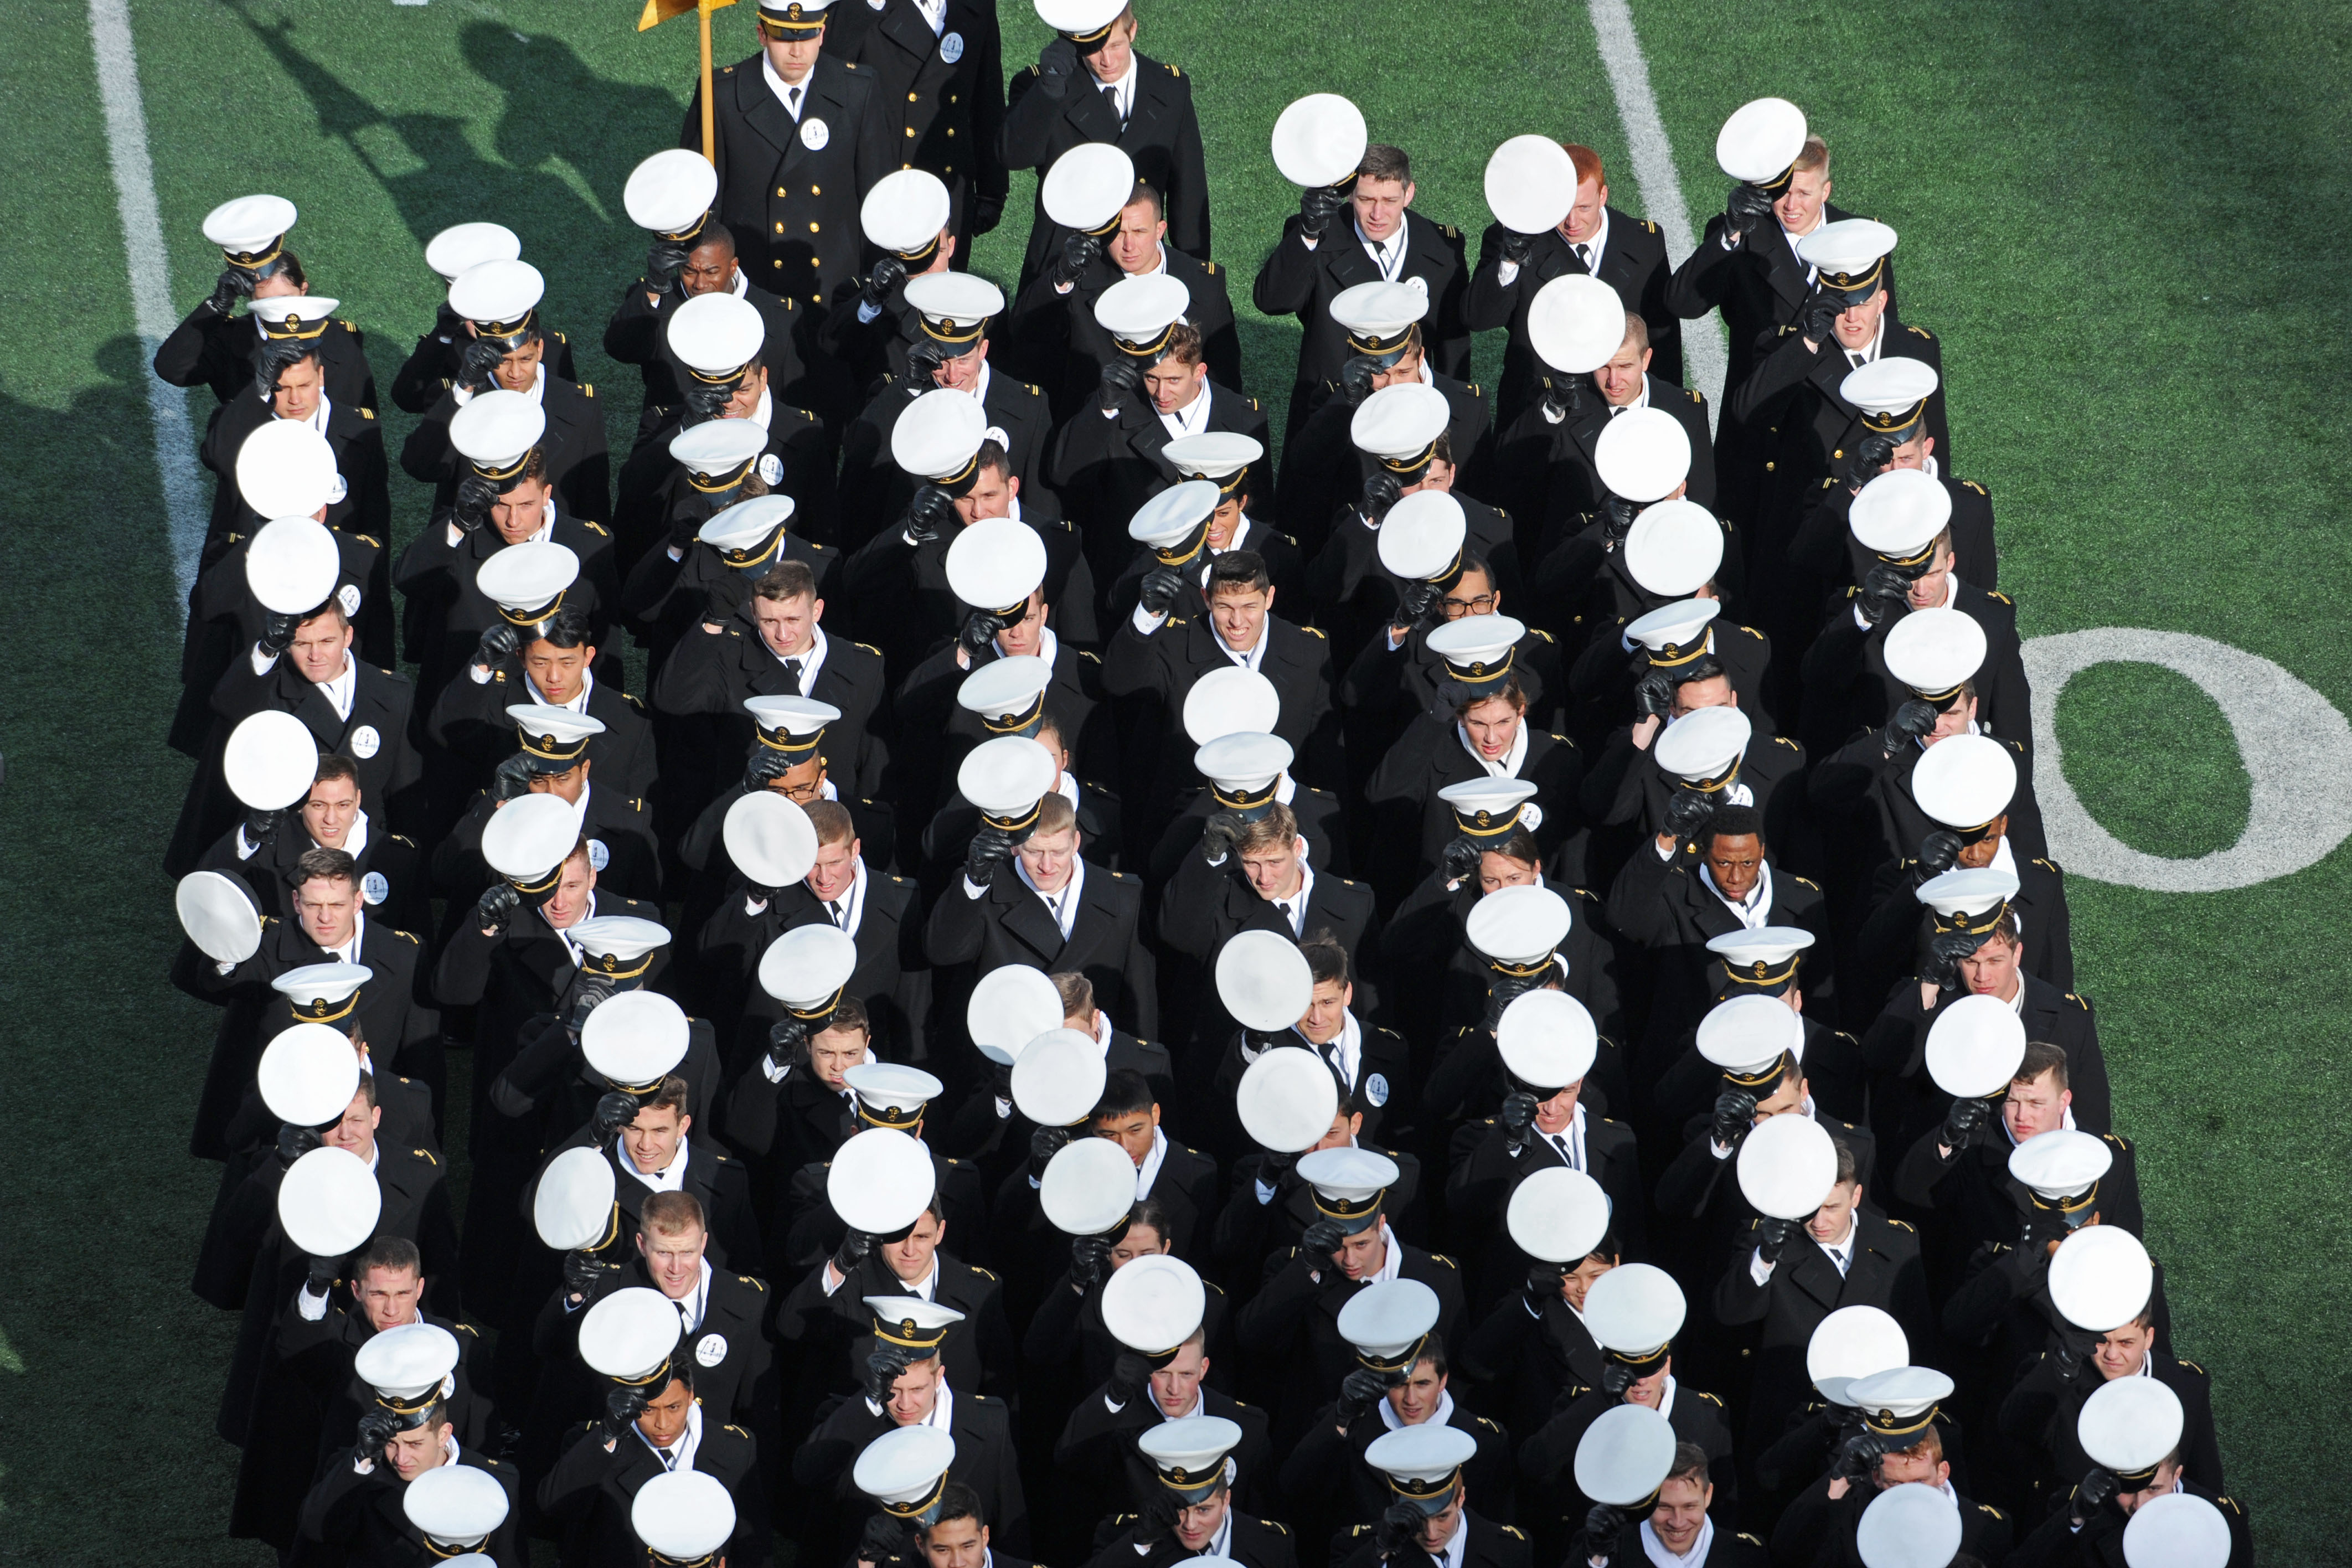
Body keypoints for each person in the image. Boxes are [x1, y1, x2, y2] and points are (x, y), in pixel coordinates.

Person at [687, 0, 894, 336]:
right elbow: (704, 203)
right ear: (761, 34)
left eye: (808, 36)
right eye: (783, 37)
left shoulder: (858, 88)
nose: (797, 51)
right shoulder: (721, 95)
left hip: (835, 290)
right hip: (757, 291)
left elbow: (878, 196)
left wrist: (874, 286)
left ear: (823, 33)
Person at [1252, 143, 1471, 440]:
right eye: (1366, 199)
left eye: (1389, 200)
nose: (1377, 214)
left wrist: (1450, 416)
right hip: (1332, 408)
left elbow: (1451, 345)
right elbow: (1272, 301)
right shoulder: (1317, 235)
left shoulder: (1442, 248)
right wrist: (1306, 234)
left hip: (1408, 409)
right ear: (1351, 195)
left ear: (1409, 194)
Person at [1002, 1, 1210, 293]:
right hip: (1066, 261)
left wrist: (1194, 274)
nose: (1107, 61)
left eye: (1115, 46)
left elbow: (1188, 190)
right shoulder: (1046, 84)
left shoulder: (1171, 88)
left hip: (1137, 257)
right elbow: (1013, 154)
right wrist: (1048, 91)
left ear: (1133, 30)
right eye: (1095, 49)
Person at [926, 782, 1160, 1035]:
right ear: (1014, 846)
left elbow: (1140, 1000)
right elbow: (942, 952)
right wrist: (974, 883)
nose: (1047, 866)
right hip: (1004, 1055)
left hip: (1086, 1057)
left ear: (1076, 842)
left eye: (1058, 852)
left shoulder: (1122, 897)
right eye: (1034, 852)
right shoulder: (986, 889)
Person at [1467, 143, 1679, 418]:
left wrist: (1667, 408)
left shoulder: (1644, 243)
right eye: (1563, 208)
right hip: (1539, 404)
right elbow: (1478, 318)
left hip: (1616, 407)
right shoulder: (1514, 237)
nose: (1572, 221)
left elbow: (1663, 335)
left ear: (1603, 196)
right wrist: (1508, 262)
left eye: (1584, 207)